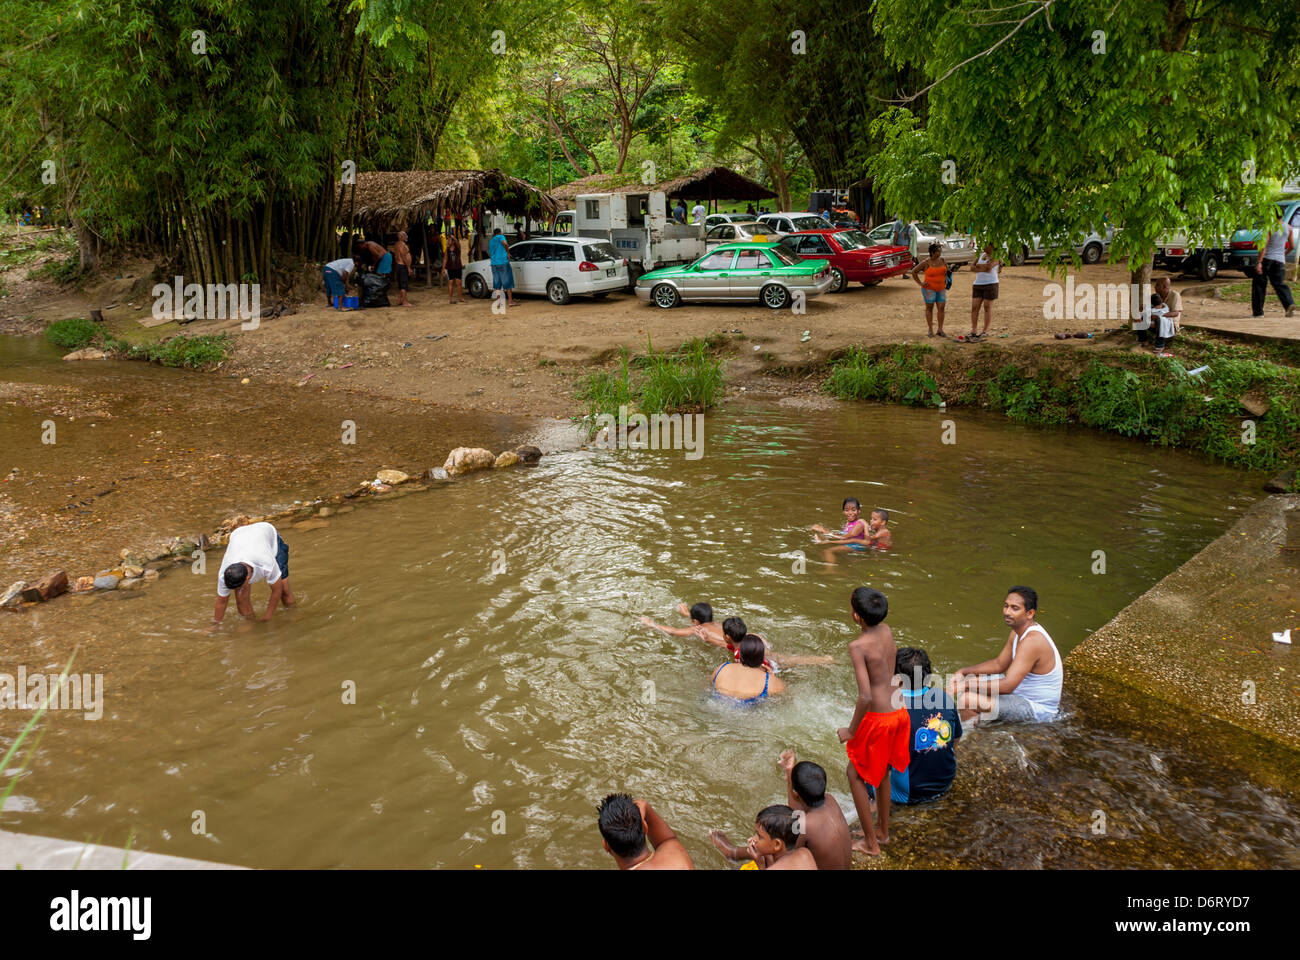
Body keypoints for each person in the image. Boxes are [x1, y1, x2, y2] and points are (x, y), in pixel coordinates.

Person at [837, 587, 908, 856]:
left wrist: (851, 730)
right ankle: (883, 832)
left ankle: (870, 843)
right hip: (898, 711)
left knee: (854, 774)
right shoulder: (887, 630)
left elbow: (865, 695)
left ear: (856, 616)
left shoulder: (857, 646)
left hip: (879, 716)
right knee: (883, 772)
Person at [709, 750, 850, 870]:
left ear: (795, 793)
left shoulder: (806, 825)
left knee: (772, 840)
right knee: (775, 836)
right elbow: (793, 816)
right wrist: (790, 774)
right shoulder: (830, 800)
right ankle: (736, 852)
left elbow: (787, 838)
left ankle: (733, 853)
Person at [946, 586, 1063, 725]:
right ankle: (975, 724)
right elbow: (999, 664)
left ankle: (974, 737)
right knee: (970, 680)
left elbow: (1008, 686)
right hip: (1019, 694)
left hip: (1037, 709)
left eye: (1015, 608)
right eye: (1006, 606)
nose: (1007, 612)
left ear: (1030, 613)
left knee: (966, 700)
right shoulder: (1017, 632)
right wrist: (963, 672)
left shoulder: (1032, 641)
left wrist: (965, 685)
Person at [874, 647, 962, 805]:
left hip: (910, 794)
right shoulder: (943, 697)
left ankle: (873, 808)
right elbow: (956, 739)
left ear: (899, 680)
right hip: (945, 782)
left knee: (858, 769)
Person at [212, 521, 295, 624]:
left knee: (284, 589)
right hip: (239, 534)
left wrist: (267, 617)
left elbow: (277, 591)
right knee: (241, 596)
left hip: (267, 534)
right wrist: (214, 626)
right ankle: (250, 625)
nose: (238, 590)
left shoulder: (266, 562)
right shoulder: (225, 573)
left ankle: (293, 615)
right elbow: (221, 601)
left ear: (247, 578)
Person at [596, 794, 693, 870]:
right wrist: (645, 807)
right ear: (645, 827)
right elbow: (667, 840)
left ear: (606, 845)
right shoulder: (678, 859)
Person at [712, 636, 786, 703]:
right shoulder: (769, 681)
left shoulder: (722, 668)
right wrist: (772, 677)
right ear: (762, 658)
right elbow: (786, 699)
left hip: (717, 701)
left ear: (740, 654)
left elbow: (708, 686)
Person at [745, 805, 818, 870]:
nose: (752, 839)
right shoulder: (804, 852)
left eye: (759, 836)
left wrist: (760, 864)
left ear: (777, 844)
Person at [1252, 210, 1296, 318]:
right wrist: (1283, 254)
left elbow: (1264, 246)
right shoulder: (1289, 228)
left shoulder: (1269, 227)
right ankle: (1289, 303)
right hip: (1279, 260)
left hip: (1267, 259)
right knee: (1279, 284)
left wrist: (1259, 262)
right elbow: (1292, 246)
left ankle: (1258, 312)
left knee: (1259, 285)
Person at [910, 243, 949, 337]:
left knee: (941, 308)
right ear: (932, 252)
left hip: (941, 288)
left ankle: (940, 329)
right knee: (929, 308)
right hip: (929, 289)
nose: (939, 253)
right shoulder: (926, 262)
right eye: (937, 251)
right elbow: (914, 271)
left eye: (940, 251)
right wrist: (920, 283)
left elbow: (946, 271)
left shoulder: (943, 260)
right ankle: (930, 329)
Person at [812, 497, 869, 561]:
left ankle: (830, 570)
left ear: (859, 511)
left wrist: (827, 532)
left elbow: (845, 537)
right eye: (847, 510)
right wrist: (823, 534)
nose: (850, 513)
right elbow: (843, 534)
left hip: (855, 547)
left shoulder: (859, 524)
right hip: (848, 544)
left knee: (828, 551)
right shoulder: (848, 523)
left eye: (853, 510)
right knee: (820, 550)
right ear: (843, 512)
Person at [968, 242, 1001, 340]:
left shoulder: (996, 257)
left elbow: (988, 268)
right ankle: (974, 330)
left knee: (987, 307)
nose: (983, 246)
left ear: (991, 246)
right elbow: (972, 268)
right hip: (978, 283)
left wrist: (978, 267)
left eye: (986, 244)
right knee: (975, 307)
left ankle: (985, 330)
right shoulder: (980, 255)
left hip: (991, 284)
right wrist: (981, 267)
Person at [488, 227, 514, 307]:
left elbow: (489, 252)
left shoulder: (491, 241)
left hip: (494, 264)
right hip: (503, 262)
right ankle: (510, 301)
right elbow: (505, 243)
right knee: (507, 282)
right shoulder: (500, 237)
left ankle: (499, 302)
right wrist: (508, 253)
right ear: (499, 232)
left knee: (497, 284)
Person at [443, 228, 465, 303]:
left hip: (458, 267)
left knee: (459, 283)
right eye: (448, 240)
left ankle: (460, 298)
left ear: (453, 241)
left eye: (449, 240)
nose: (448, 241)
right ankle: (451, 299)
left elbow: (457, 243)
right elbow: (445, 259)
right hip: (450, 268)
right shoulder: (447, 250)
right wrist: (443, 269)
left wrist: (453, 237)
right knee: (451, 283)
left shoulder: (457, 248)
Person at [392, 230, 413, 307]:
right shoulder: (402, 244)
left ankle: (400, 300)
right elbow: (403, 256)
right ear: (401, 237)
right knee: (404, 284)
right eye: (405, 235)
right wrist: (408, 267)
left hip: (399, 265)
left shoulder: (396, 244)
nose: (406, 237)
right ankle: (404, 302)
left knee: (401, 284)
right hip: (402, 266)